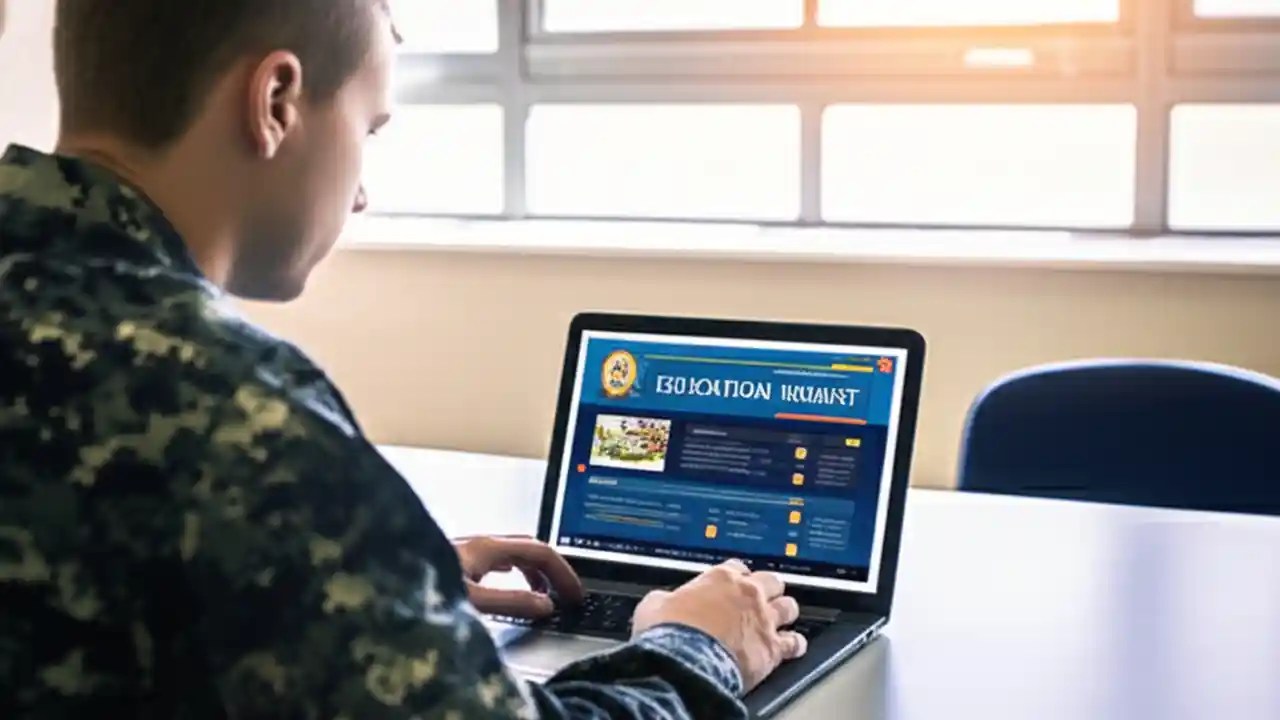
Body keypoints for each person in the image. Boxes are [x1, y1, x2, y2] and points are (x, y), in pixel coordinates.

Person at [0, 1, 807, 717]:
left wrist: (353, 585)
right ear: (275, 101)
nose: (360, 193)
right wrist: (696, 647)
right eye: (368, 127)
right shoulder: (240, 419)